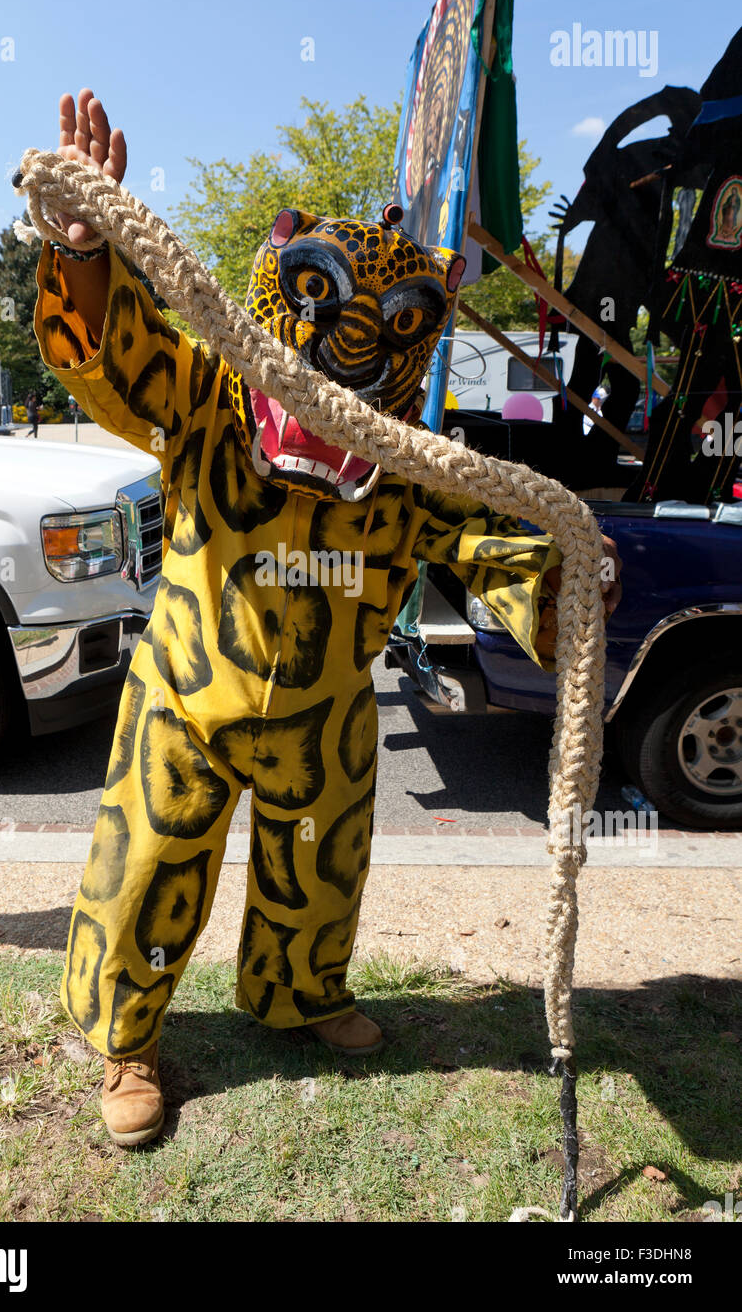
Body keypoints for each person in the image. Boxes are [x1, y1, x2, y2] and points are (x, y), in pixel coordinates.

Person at [33, 89, 622, 1149]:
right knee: (146, 866)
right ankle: (125, 1037)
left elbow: (484, 541)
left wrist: (567, 585)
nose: (351, 345)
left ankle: (298, 994)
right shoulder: (207, 394)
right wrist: (85, 250)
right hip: (186, 690)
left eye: (395, 327)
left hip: (327, 715)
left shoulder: (407, 458)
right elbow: (106, 356)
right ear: (276, 291)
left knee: (321, 871)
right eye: (324, 303)